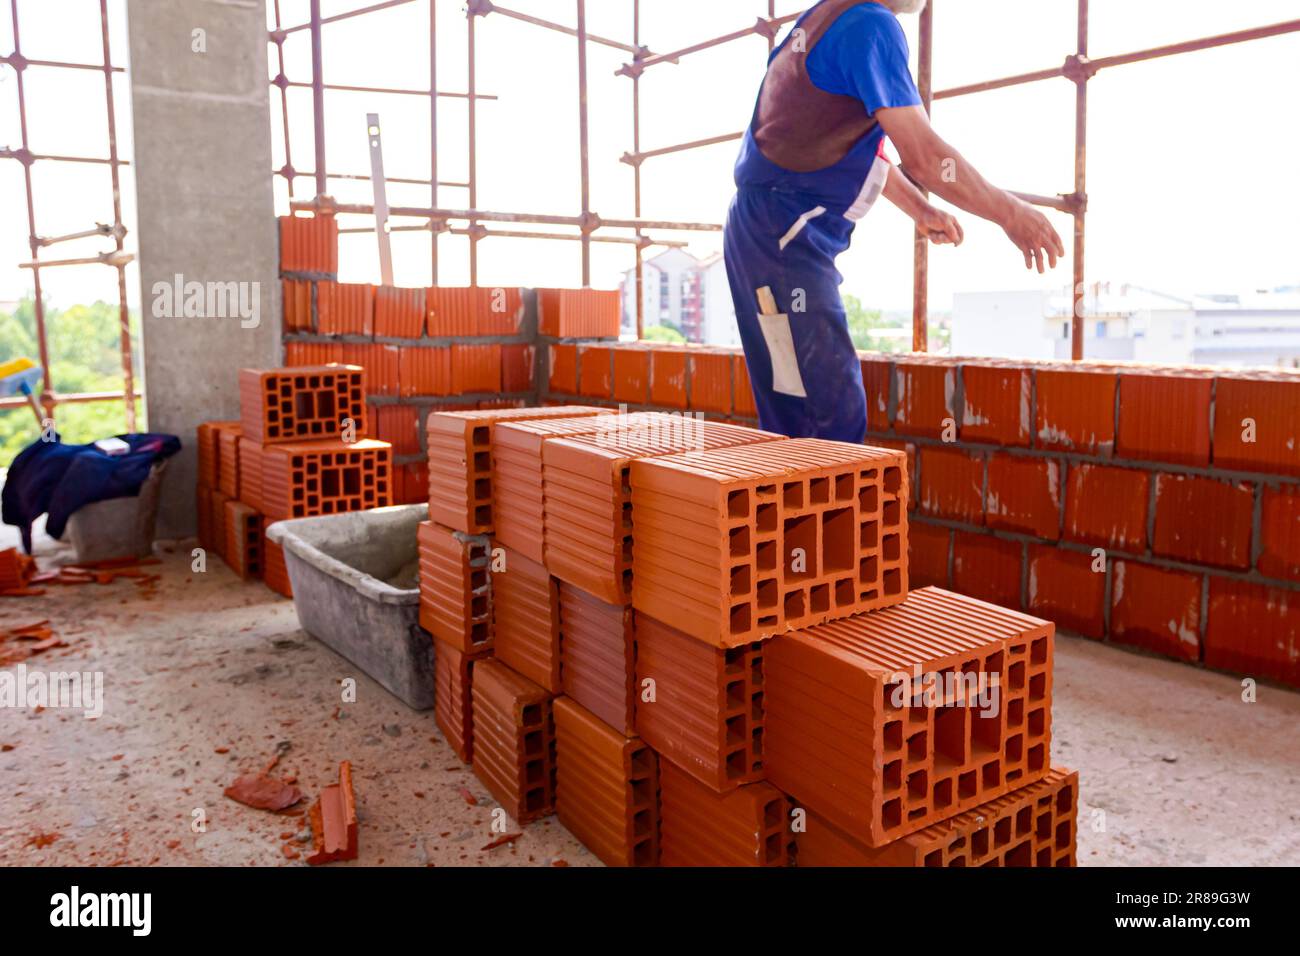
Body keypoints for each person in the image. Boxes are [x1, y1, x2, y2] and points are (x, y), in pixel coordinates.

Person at [724, 0, 1064, 440]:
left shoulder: (828, 17)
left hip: (770, 234)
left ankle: (806, 506)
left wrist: (920, 210)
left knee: (800, 408)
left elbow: (853, 144)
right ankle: (823, 509)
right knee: (823, 419)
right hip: (783, 238)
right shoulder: (870, 25)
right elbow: (923, 155)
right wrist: (1010, 213)